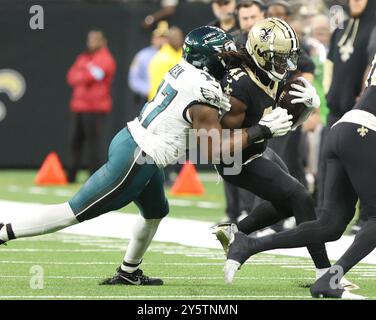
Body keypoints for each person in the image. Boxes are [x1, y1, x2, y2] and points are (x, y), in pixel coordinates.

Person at [0, 26, 293, 286]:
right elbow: (213, 149)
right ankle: (4, 232)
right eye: (224, 56)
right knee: (73, 212)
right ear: (211, 59)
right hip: (140, 157)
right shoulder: (203, 90)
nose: (228, 60)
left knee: (155, 211)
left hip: (136, 143)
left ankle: (129, 271)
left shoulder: (187, 69)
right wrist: (262, 130)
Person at [225, 52, 376, 300]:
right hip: (365, 131)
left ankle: (249, 245)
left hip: (345, 127)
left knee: (331, 224)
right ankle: (330, 278)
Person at [213, 18, 341, 283]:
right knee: (301, 199)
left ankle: (236, 232)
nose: (285, 65)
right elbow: (218, 145)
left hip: (258, 149)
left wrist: (304, 109)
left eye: (287, 58)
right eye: (279, 58)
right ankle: (324, 272)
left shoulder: (264, 72)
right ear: (260, 55)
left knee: (286, 205)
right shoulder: (238, 86)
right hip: (236, 159)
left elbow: (282, 121)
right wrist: (261, 130)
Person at [319, 0, 376, 231]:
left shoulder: (374, 27)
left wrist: (362, 96)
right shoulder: (341, 28)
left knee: (366, 167)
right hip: (335, 109)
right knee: (328, 166)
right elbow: (330, 64)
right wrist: (328, 94)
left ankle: (365, 219)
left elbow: (370, 65)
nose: (355, 1)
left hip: (359, 112)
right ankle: (325, 217)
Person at [66, 30, 116, 183]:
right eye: (90, 39)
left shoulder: (106, 58)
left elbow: (92, 76)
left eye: (95, 39)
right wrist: (84, 72)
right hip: (79, 107)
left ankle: (94, 177)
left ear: (103, 42)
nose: (91, 42)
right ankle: (71, 176)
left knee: (94, 144)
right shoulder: (83, 57)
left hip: (95, 108)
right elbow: (71, 77)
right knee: (75, 142)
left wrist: (83, 73)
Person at [128, 21, 169, 113]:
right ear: (153, 38)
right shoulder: (143, 55)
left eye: (164, 37)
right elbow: (134, 79)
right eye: (159, 37)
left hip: (169, 99)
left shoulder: (176, 56)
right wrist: (149, 90)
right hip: (146, 100)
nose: (162, 41)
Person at [147, 26, 184, 101]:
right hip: (164, 101)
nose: (178, 39)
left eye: (179, 37)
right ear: (168, 39)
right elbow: (156, 85)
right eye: (174, 37)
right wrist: (155, 102)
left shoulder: (184, 54)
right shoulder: (160, 58)